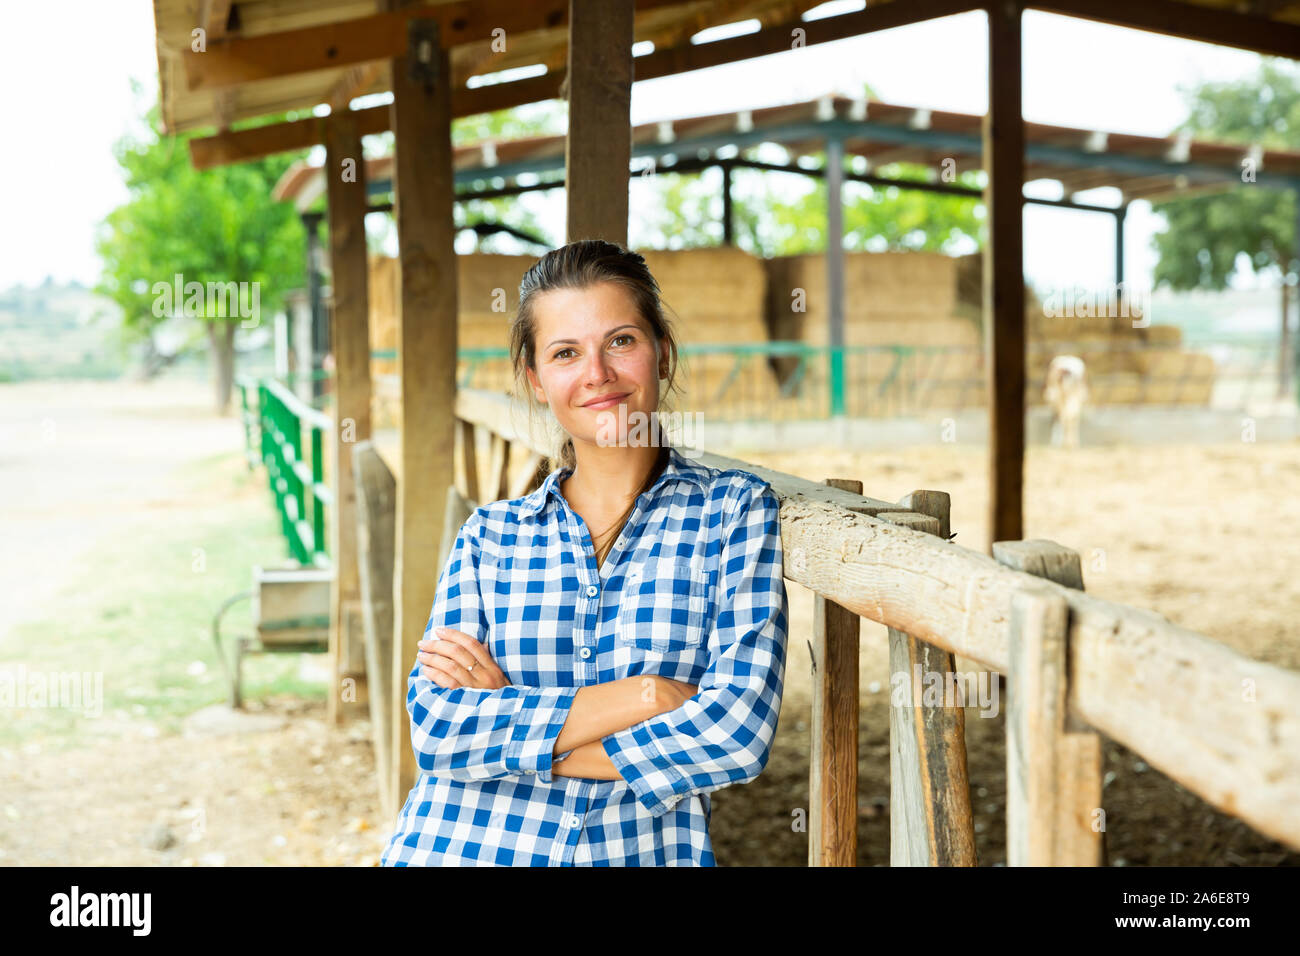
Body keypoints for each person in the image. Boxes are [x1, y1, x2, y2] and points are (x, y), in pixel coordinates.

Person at [380, 239, 789, 866]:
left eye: (621, 341)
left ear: (663, 355)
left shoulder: (733, 514)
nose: (597, 373)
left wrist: (517, 735)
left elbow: (735, 734)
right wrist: (649, 696)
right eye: (566, 352)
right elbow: (439, 734)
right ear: (536, 381)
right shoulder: (490, 538)